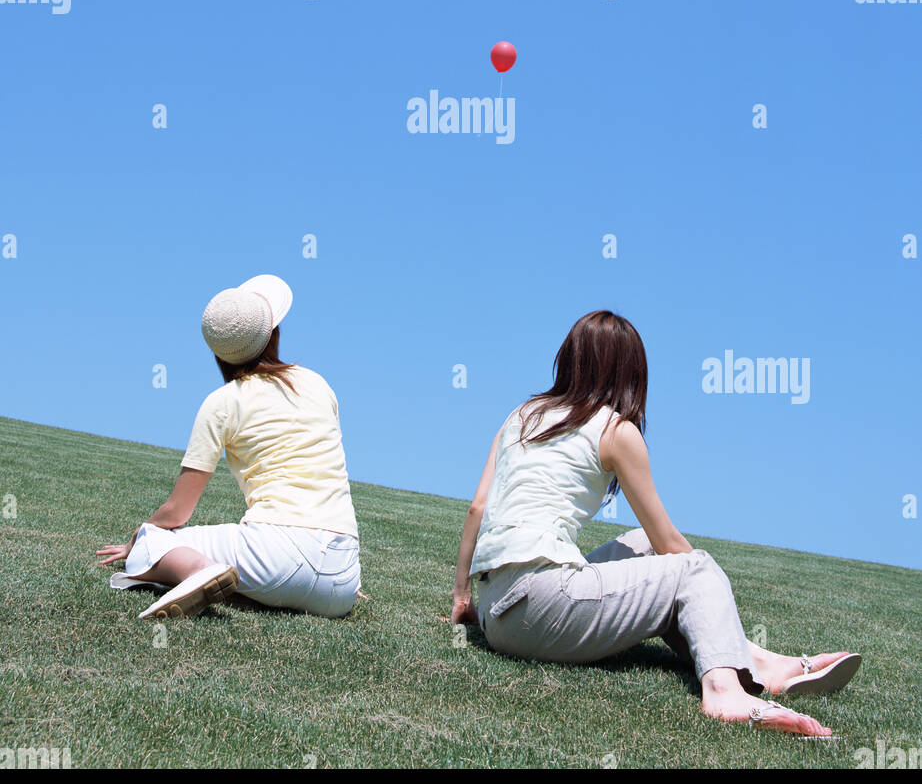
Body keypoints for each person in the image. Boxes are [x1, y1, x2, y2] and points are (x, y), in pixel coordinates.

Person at [451, 310, 861, 736]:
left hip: (499, 617)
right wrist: (700, 585)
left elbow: (477, 509)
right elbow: (670, 543)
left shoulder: (523, 415)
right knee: (694, 567)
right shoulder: (615, 430)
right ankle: (726, 689)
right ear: (630, 373)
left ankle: (759, 663)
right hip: (544, 607)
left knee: (637, 542)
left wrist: (464, 600)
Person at [97, 274, 362, 621]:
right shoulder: (317, 383)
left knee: (152, 540)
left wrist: (140, 535)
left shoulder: (222, 403)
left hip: (275, 556)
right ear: (273, 334)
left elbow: (178, 511)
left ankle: (198, 572)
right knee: (287, 573)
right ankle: (290, 591)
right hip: (343, 582)